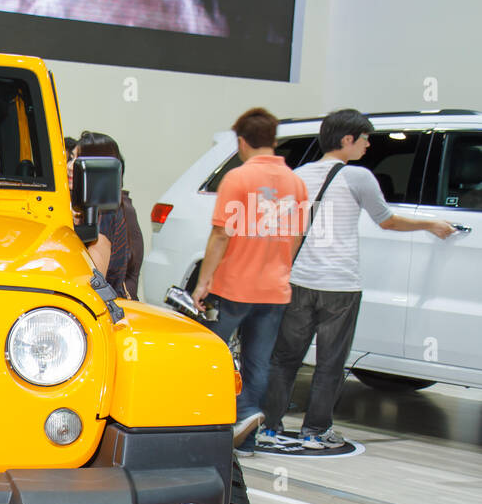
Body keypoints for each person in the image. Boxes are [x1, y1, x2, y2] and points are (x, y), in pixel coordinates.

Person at [259, 110, 457, 450]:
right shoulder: (358, 177)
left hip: (300, 280)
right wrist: (431, 224)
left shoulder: (299, 174)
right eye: (365, 138)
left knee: (285, 359)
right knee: (330, 362)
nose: (368, 145)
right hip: (340, 284)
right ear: (347, 139)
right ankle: (315, 432)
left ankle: (269, 427)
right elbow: (387, 221)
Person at [191, 107, 308, 454]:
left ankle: (209, 426)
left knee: (212, 355)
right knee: (259, 361)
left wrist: (203, 281)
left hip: (234, 286)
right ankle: (248, 433)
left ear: (242, 142)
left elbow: (221, 234)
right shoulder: (296, 183)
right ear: (272, 140)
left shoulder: (238, 179)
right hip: (274, 289)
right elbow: (297, 235)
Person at [72, 131, 141, 298]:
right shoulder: (91, 206)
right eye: (71, 158)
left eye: (79, 160)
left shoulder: (105, 211)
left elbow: (94, 277)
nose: (69, 166)